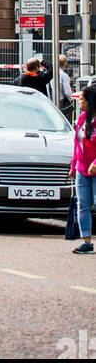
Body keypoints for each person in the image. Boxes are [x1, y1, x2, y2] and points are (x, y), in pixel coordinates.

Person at [70, 84, 96, 255]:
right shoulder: (82, 118)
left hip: (94, 169)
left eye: (82, 99)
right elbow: (77, 144)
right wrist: (73, 165)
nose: (79, 102)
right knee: (83, 205)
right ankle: (86, 241)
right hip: (82, 169)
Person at [57, 55, 75, 121]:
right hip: (62, 103)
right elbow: (67, 92)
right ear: (65, 64)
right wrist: (70, 98)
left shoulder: (49, 74)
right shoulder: (64, 75)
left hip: (50, 101)